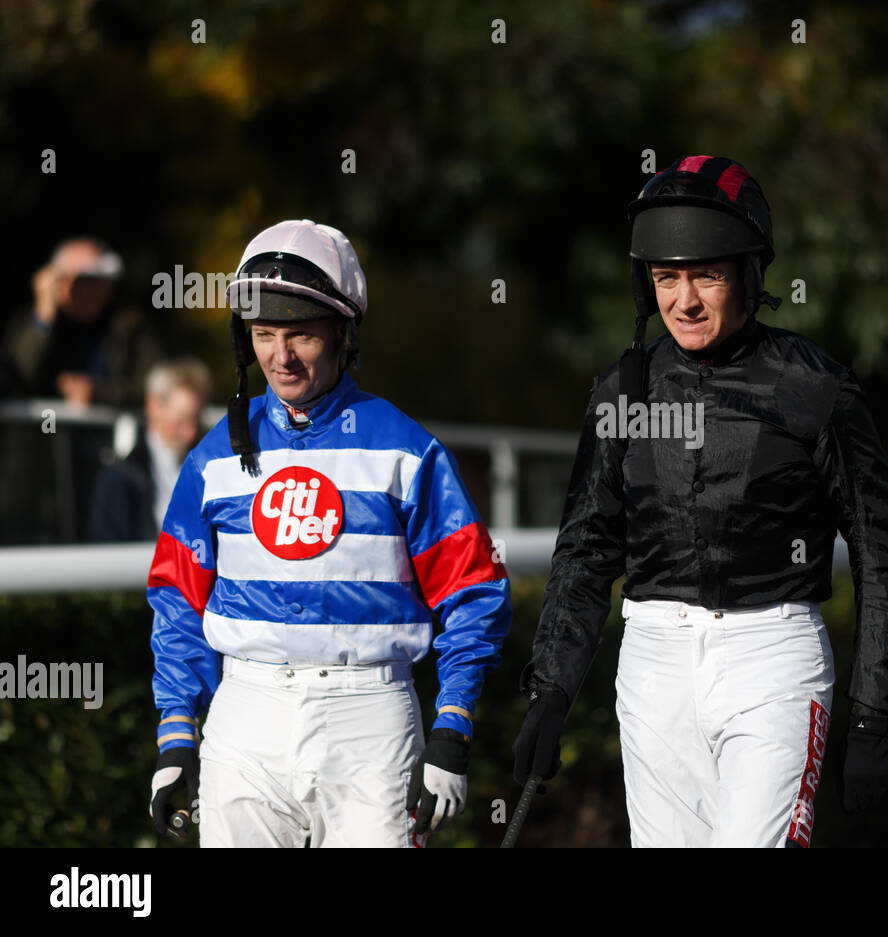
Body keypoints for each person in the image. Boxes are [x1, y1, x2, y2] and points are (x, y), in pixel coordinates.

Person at [512, 156, 888, 848]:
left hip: (774, 659)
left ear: (749, 274)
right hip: (653, 661)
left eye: (706, 274)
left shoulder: (816, 388)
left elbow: (884, 556)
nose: (685, 300)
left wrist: (875, 711)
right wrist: (549, 690)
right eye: (666, 277)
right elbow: (585, 551)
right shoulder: (622, 391)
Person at [146, 220, 511, 847]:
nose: (280, 357)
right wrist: (177, 732)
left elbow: (473, 591)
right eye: (264, 335)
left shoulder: (407, 449)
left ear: (342, 334)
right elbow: (178, 599)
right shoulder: (212, 456)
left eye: (301, 336)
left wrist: (453, 723)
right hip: (246, 718)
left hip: (369, 722)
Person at [4, 236, 161, 406]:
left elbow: (154, 387)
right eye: (81, 279)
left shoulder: (129, 324)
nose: (90, 289)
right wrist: (43, 316)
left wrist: (97, 392)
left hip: (110, 430)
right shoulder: (29, 323)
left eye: (99, 279)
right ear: (56, 282)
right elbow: (18, 376)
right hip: (42, 428)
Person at [89, 358, 212, 542]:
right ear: (154, 407)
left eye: (195, 421)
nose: (190, 433)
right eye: (181, 421)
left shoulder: (207, 468)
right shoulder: (121, 477)